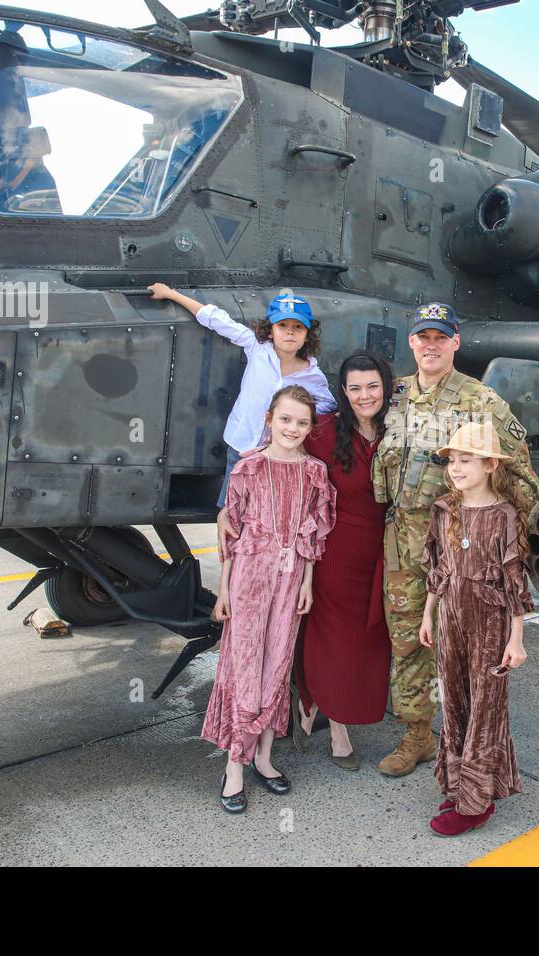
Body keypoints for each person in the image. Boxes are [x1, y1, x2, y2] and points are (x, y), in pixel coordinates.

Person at [371, 302, 538, 778]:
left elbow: (522, 479)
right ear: (411, 343)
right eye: (423, 337)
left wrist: (506, 549)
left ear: (456, 343)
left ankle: (467, 745)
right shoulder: (397, 394)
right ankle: (417, 737)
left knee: (463, 650)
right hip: (402, 544)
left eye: (440, 338)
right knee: (407, 643)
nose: (431, 345)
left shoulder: (481, 401)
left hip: (458, 547)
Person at [200, 385, 336, 814]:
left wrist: (307, 583)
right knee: (244, 665)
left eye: (301, 422)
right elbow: (231, 536)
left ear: (310, 427)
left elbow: (314, 536)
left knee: (276, 663)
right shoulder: (249, 468)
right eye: (285, 419)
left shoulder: (315, 472)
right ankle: (234, 764)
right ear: (269, 420)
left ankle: (263, 757)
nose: (292, 428)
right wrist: (223, 590)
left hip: (292, 575)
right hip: (249, 576)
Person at [146, 283, 335, 558]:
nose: (290, 332)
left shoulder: (312, 376)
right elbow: (216, 319)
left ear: (307, 335)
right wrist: (171, 294)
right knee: (230, 515)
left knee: (265, 519)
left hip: (276, 457)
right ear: (271, 329)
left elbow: (328, 406)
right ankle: (232, 573)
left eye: (298, 327)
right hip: (241, 448)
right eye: (283, 326)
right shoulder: (257, 349)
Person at [419, 420, 533, 836]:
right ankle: (459, 783)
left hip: (490, 620)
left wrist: (516, 640)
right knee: (454, 702)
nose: (457, 468)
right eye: (453, 461)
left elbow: (514, 582)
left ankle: (474, 804)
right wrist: (428, 613)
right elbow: (438, 568)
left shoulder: (504, 515)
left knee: (486, 708)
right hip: (450, 615)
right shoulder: (445, 509)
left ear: (489, 465)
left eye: (467, 460)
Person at [292, 351, 394, 770]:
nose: (364, 395)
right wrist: (230, 503)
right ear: (343, 391)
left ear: (385, 387)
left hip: (387, 551)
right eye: (355, 388)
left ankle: (308, 706)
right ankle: (337, 729)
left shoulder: (401, 431)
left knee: (372, 639)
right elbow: (276, 452)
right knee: (336, 638)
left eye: (372, 386)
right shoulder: (324, 432)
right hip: (337, 551)